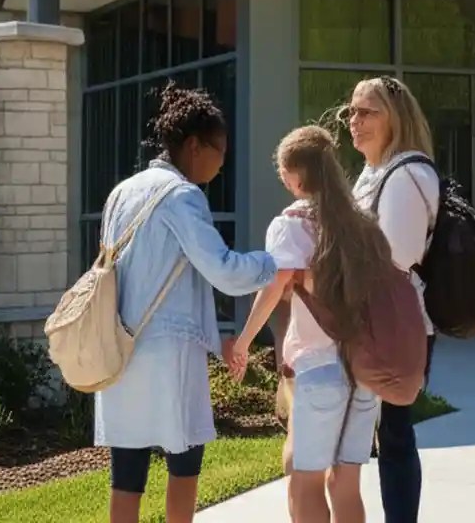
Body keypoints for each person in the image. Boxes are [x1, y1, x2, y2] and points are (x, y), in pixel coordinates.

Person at [94, 82, 278, 523]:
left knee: (127, 475)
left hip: (118, 349)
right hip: (168, 352)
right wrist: (276, 262)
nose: (221, 164)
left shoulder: (122, 191)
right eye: (220, 152)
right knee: (185, 463)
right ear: (195, 146)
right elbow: (224, 271)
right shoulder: (182, 195)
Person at [231, 125, 390, 523]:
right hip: (365, 372)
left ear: (296, 177)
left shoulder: (291, 224)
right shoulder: (363, 224)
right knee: (346, 486)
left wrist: (243, 342)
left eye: (284, 174)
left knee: (305, 484)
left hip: (319, 370)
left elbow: (273, 288)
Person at [347, 76, 439, 523]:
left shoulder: (407, 174)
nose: (353, 121)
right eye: (351, 111)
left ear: (395, 119)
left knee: (396, 435)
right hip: (373, 321)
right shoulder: (373, 173)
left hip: (399, 324)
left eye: (366, 112)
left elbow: (396, 258)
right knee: (382, 436)